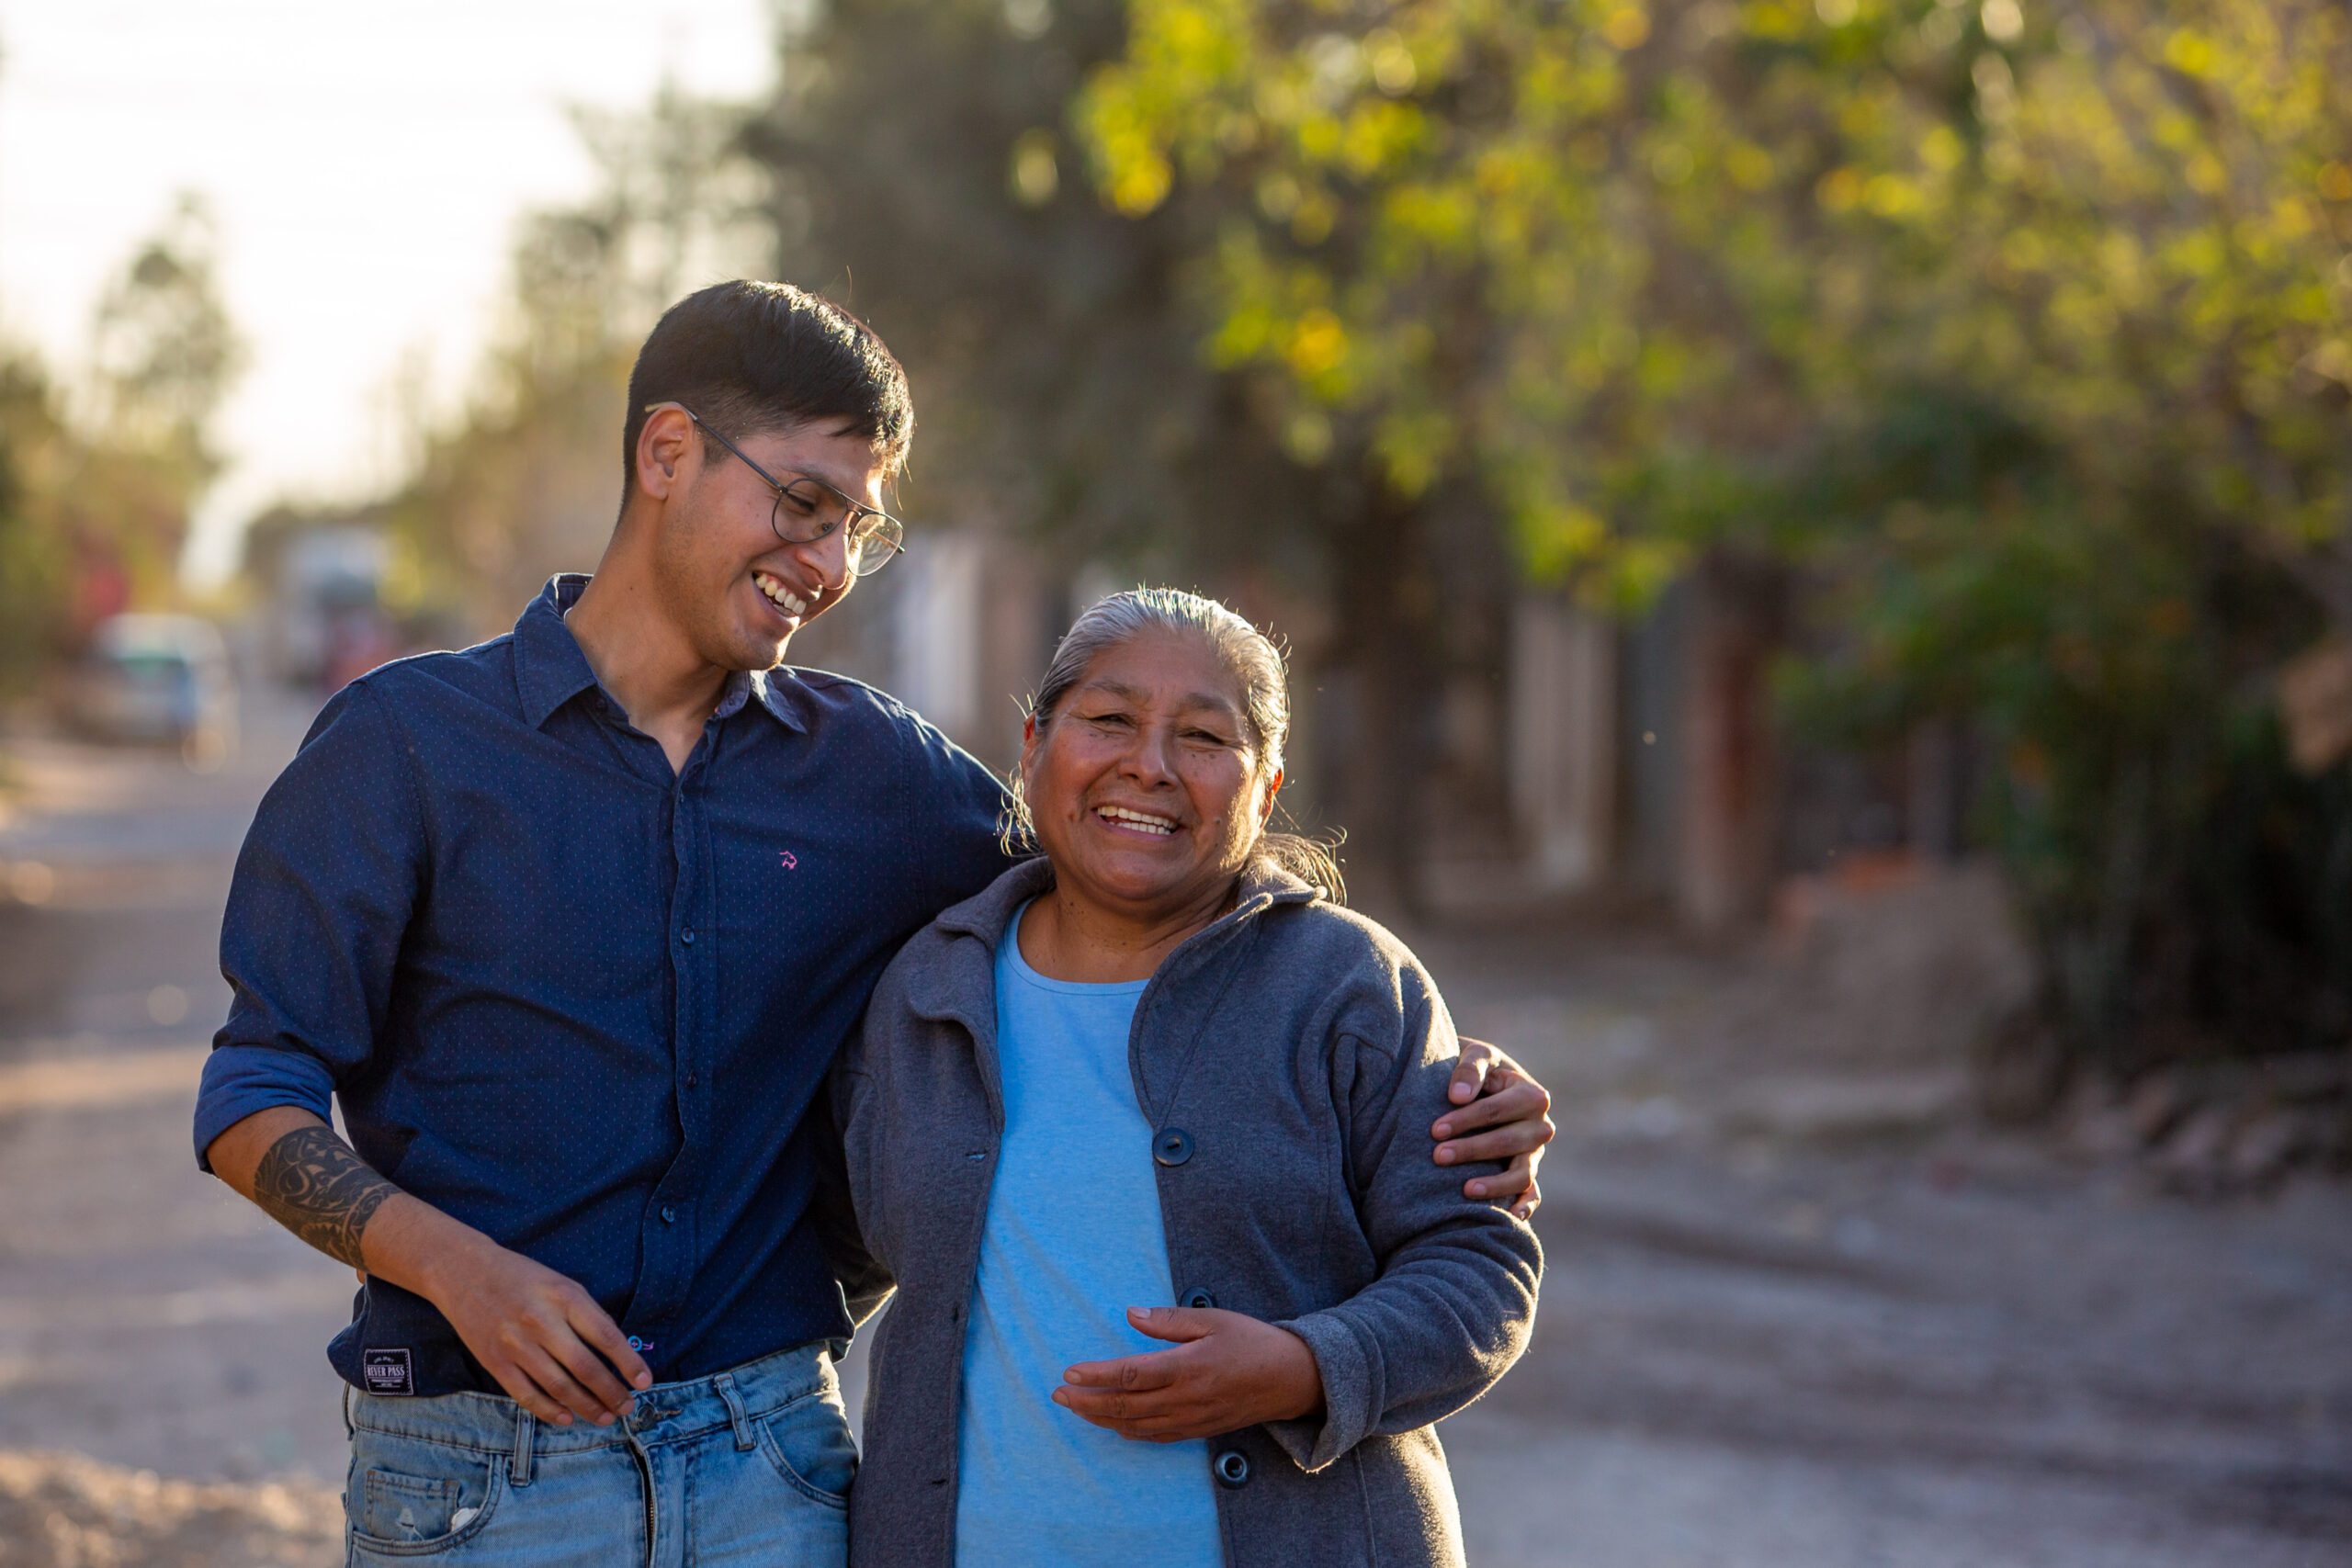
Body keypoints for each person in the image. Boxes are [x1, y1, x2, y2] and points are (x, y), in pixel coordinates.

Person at [190, 281, 1555, 1565]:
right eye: (803, 502)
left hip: (775, 1466)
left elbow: (1142, 852)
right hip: (475, 1466)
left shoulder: (879, 775)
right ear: (667, 450)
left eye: (857, 525)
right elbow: (250, 1094)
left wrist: (1425, 1058)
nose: (829, 561)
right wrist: (462, 1270)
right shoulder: (406, 745)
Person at [832, 589, 1543, 1568]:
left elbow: (1478, 1273)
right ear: (1035, 745)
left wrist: (1304, 1369)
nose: (1151, 766)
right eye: (1111, 720)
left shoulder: (1348, 987)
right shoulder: (922, 990)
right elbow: (833, 1251)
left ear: (1265, 785)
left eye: (1204, 737)